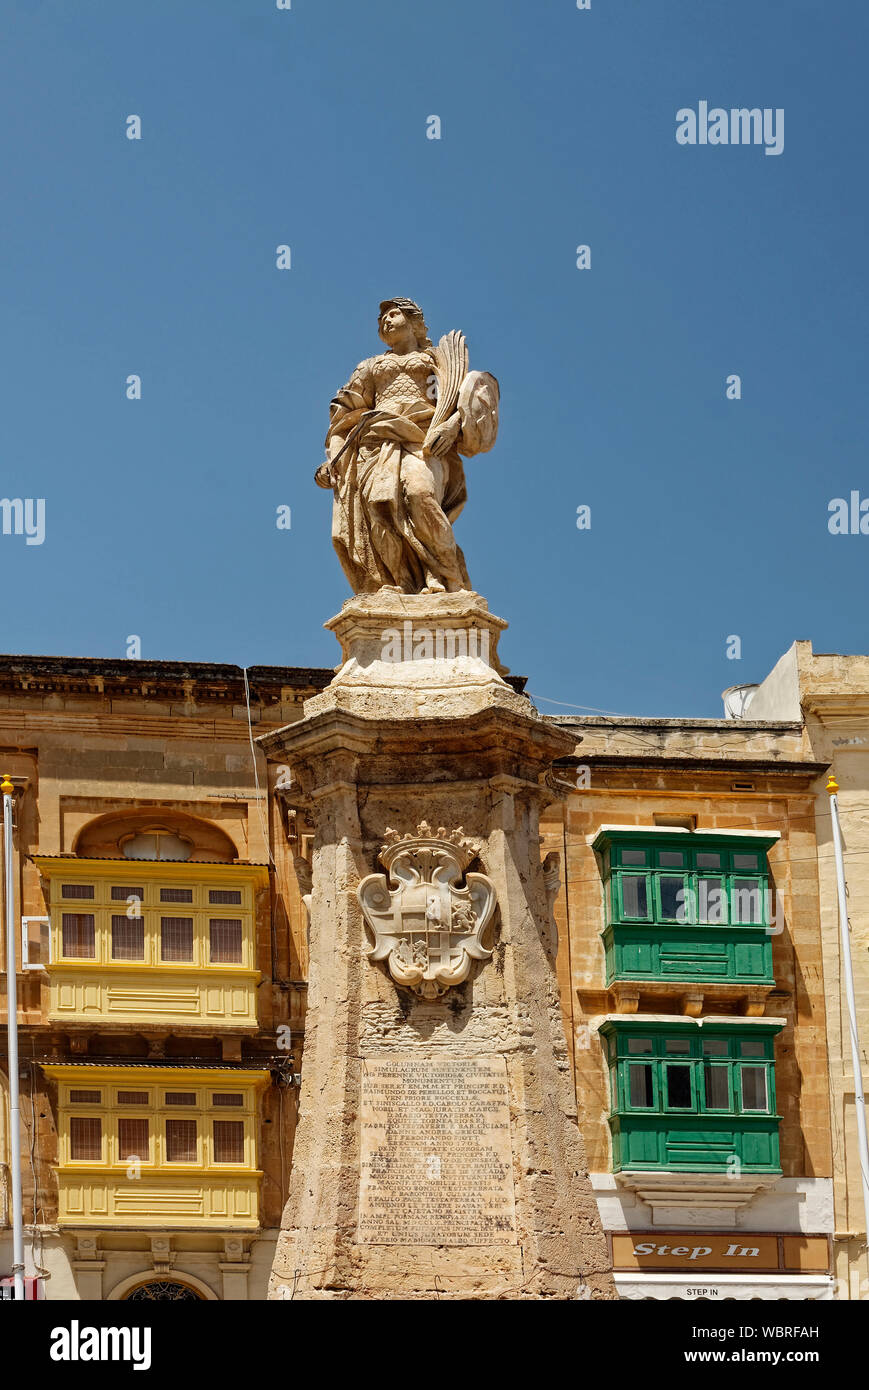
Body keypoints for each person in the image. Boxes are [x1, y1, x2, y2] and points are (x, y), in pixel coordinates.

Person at [315, 297, 498, 595]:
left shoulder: (437, 361)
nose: (384, 321)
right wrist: (333, 460)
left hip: (423, 441)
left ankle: (446, 576)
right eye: (380, 318)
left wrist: (451, 428)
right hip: (377, 444)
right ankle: (397, 580)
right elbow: (345, 415)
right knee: (379, 506)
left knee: (419, 493)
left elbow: (465, 402)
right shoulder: (371, 366)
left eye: (393, 314)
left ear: (414, 321)